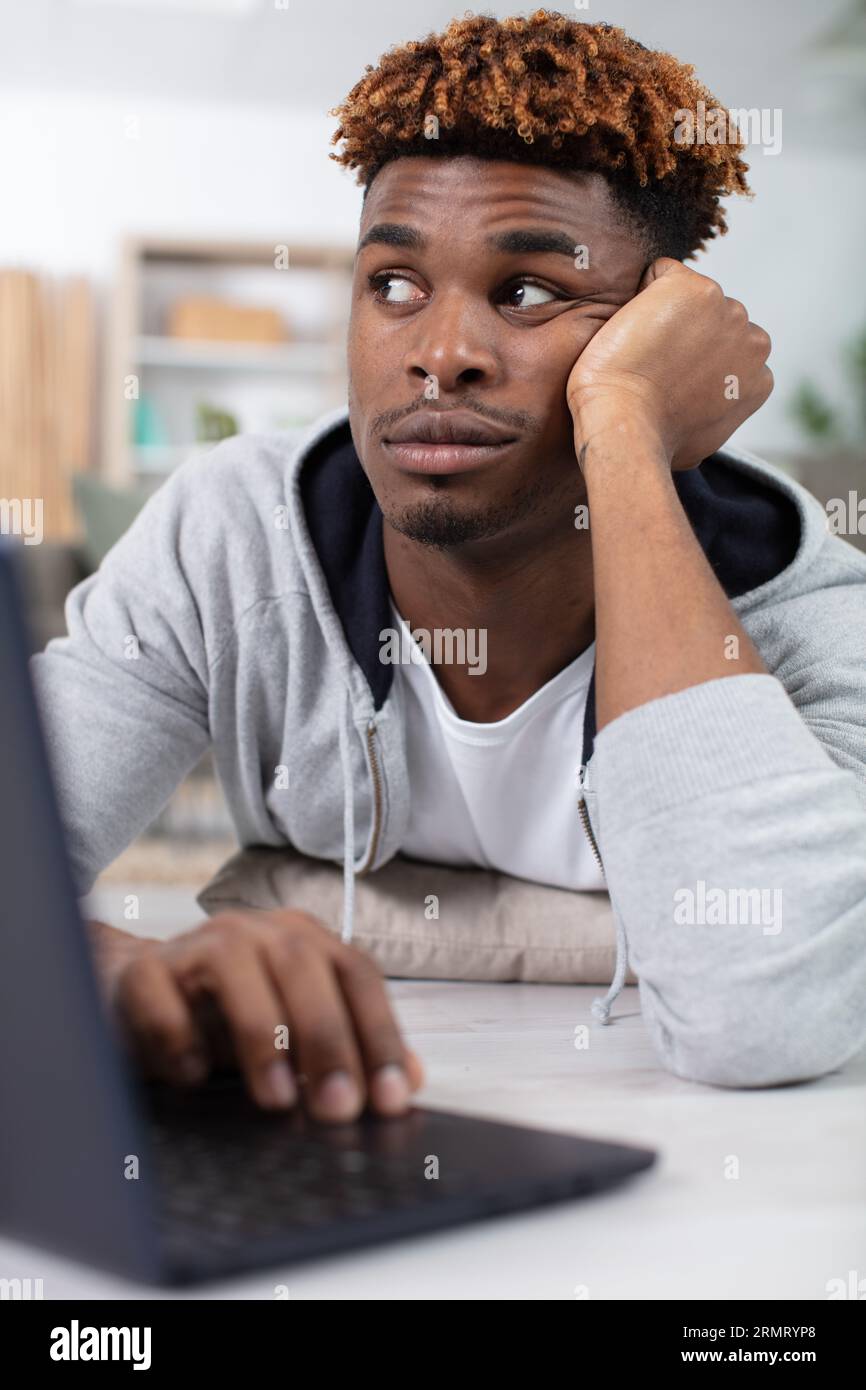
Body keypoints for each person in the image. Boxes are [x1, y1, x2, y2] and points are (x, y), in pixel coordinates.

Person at [31, 13, 866, 1123]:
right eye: (392, 283)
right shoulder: (227, 534)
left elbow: (755, 1012)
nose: (438, 351)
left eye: (526, 291)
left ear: (655, 328)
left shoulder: (801, 612)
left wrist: (621, 428)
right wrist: (95, 970)